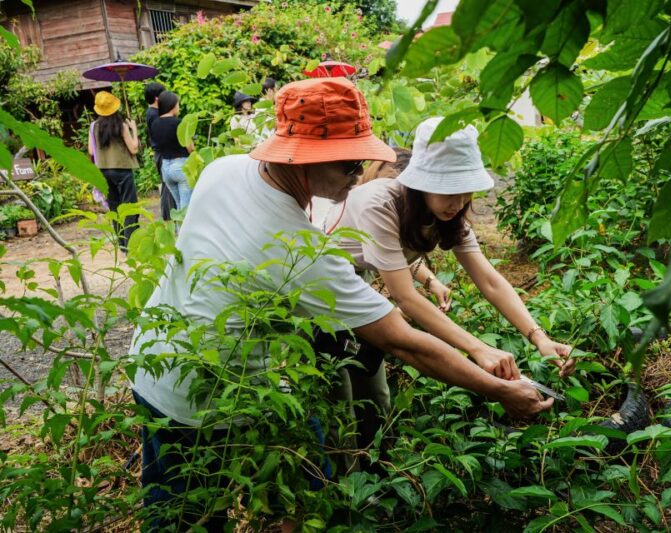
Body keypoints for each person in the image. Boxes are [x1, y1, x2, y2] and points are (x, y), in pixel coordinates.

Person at [129, 78, 552, 531]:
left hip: (183, 360)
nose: (359, 173)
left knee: (308, 485)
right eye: (351, 162)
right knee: (188, 517)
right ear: (307, 158)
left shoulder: (224, 169)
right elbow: (405, 343)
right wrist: (500, 390)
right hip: (192, 395)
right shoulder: (302, 253)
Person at [328, 117, 576, 438]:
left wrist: (539, 337)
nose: (457, 203)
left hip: (358, 281)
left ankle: (372, 466)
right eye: (447, 190)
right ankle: (339, 471)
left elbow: (489, 280)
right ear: (421, 182)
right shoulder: (379, 204)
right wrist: (479, 349)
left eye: (464, 191)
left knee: (373, 396)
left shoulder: (448, 216)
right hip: (318, 283)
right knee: (336, 396)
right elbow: (405, 297)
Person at [88, 91, 140, 251]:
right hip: (122, 170)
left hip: (103, 172)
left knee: (115, 207)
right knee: (129, 206)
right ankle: (131, 242)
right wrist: (134, 130)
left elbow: (91, 151)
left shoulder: (93, 127)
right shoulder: (121, 125)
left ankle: (122, 244)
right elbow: (134, 148)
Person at [150, 90, 193, 210]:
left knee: (179, 207)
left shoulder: (154, 124)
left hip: (166, 168)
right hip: (181, 167)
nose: (178, 107)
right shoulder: (179, 123)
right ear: (172, 105)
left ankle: (179, 229)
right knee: (186, 209)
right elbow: (190, 148)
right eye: (178, 104)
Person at [144, 82, 176, 221]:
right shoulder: (154, 115)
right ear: (157, 98)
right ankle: (169, 216)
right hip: (162, 153)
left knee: (166, 185)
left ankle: (168, 216)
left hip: (160, 153)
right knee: (168, 186)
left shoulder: (153, 113)